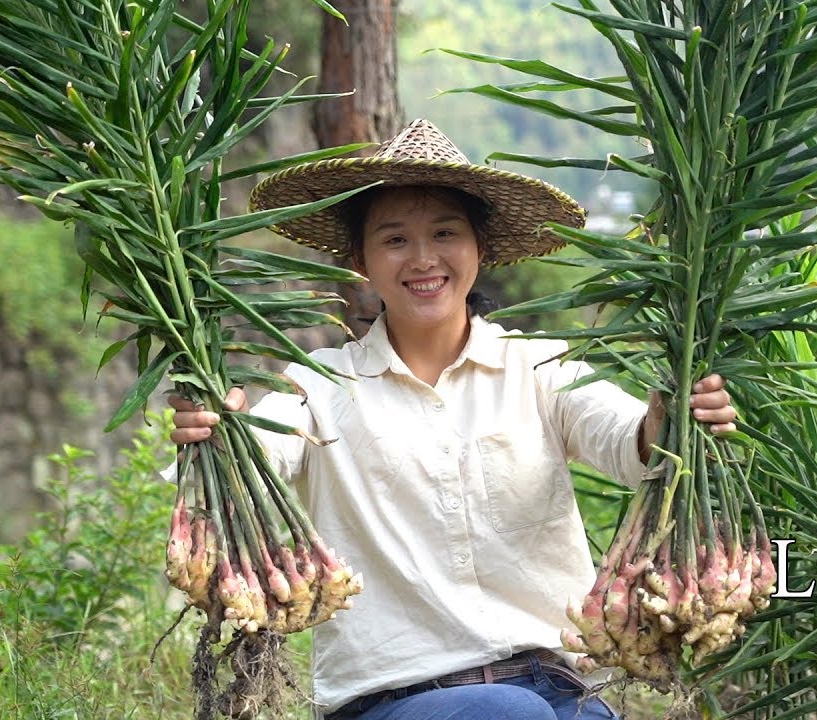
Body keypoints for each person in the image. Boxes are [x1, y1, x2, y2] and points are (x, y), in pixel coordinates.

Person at [169, 119, 737, 720]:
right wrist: (218, 434)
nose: (423, 259)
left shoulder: (539, 367)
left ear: (480, 248)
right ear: (359, 258)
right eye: (394, 240)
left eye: (445, 232)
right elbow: (258, 458)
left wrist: (675, 416)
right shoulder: (317, 383)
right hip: (394, 701)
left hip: (560, 690)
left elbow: (629, 440)